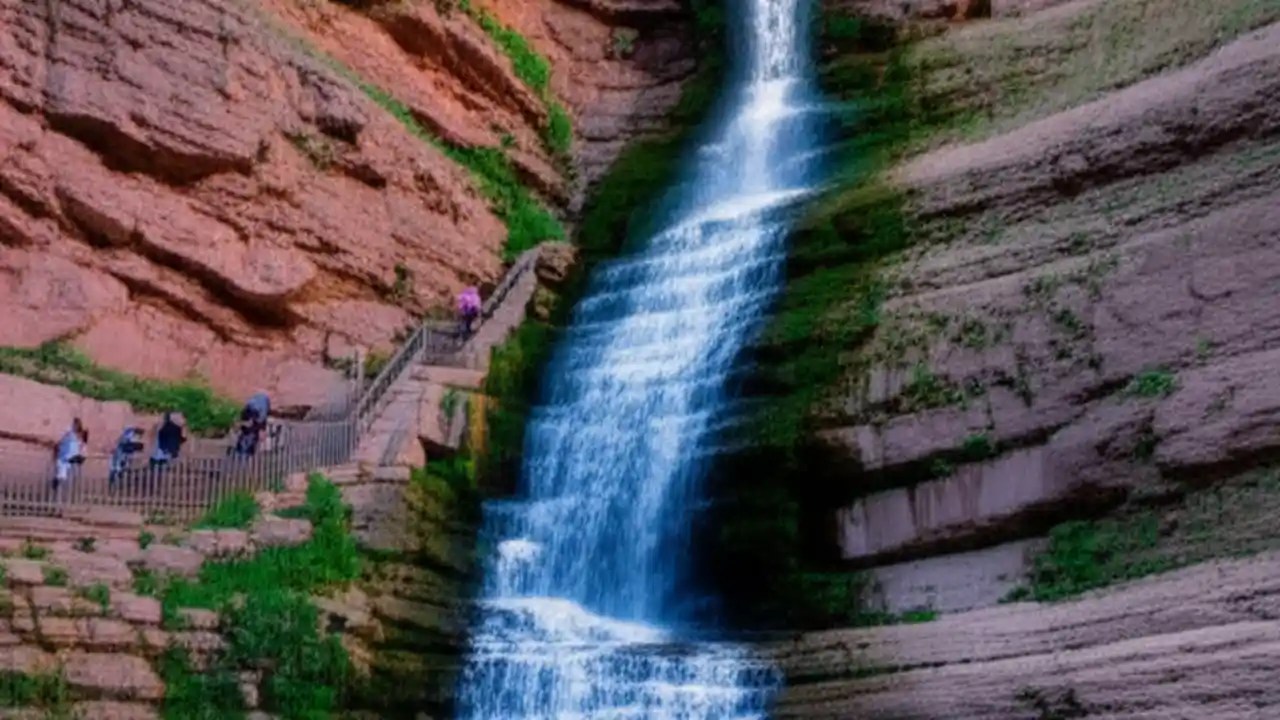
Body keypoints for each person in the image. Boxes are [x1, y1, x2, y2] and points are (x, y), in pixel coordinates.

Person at [52, 418, 87, 491]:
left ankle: (57, 483)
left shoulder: (75, 436)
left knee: (64, 474)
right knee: (62, 474)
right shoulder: (69, 433)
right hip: (66, 456)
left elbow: (81, 444)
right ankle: (56, 483)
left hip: (69, 455)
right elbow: (60, 441)